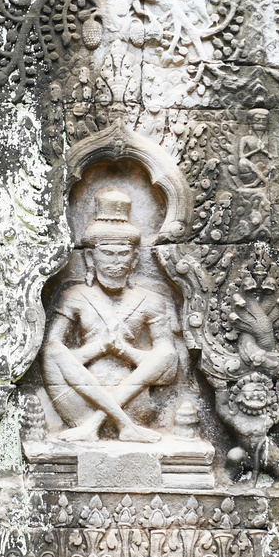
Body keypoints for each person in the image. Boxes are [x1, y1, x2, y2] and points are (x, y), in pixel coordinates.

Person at [42, 188, 179, 443]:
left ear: (135, 257)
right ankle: (117, 425)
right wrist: (99, 348)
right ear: (91, 257)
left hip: (134, 403)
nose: (115, 263)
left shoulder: (151, 300)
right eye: (107, 253)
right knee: (53, 350)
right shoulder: (75, 296)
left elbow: (168, 369)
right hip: (79, 403)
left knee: (168, 353)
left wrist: (124, 352)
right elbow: (53, 356)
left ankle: (105, 424)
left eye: (122, 254)